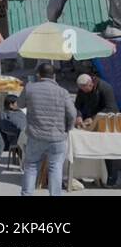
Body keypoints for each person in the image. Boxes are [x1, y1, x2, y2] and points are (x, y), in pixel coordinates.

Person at [20, 63, 76, 196]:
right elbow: (72, 113)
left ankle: (26, 194)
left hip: (35, 136)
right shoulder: (63, 92)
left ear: (38, 75)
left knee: (31, 167)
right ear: (54, 76)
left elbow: (19, 104)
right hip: (57, 137)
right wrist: (67, 128)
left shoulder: (29, 88)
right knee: (55, 168)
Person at [75, 73, 119, 185]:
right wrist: (78, 116)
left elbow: (111, 108)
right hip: (90, 123)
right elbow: (77, 106)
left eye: (86, 89)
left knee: (108, 150)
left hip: (107, 123)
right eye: (82, 89)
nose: (84, 91)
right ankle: (87, 174)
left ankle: (111, 179)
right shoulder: (82, 89)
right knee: (86, 147)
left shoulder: (105, 87)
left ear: (90, 84)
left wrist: (94, 118)